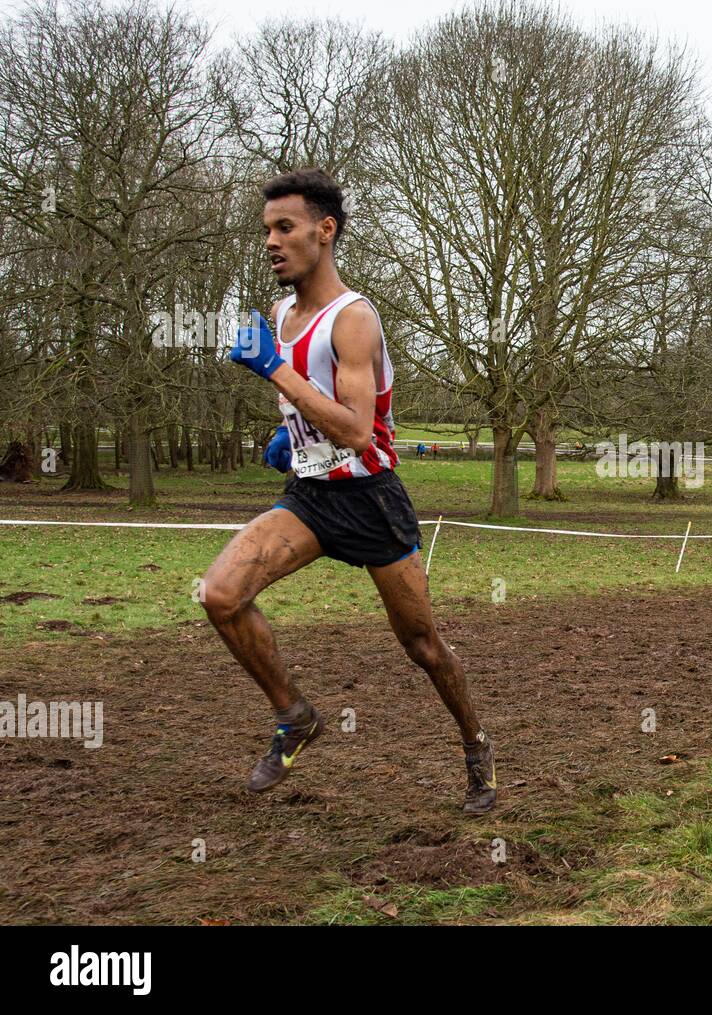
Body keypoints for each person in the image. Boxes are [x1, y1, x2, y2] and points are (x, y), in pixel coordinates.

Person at [209, 168, 497, 813]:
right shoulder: (283, 312)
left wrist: (274, 370)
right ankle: (296, 715)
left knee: (421, 644)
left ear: (325, 230)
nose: (271, 242)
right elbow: (312, 406)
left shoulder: (354, 319)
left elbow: (361, 431)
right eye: (266, 231)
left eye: (285, 228)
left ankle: (475, 743)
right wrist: (289, 436)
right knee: (222, 595)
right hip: (310, 496)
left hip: (370, 501)